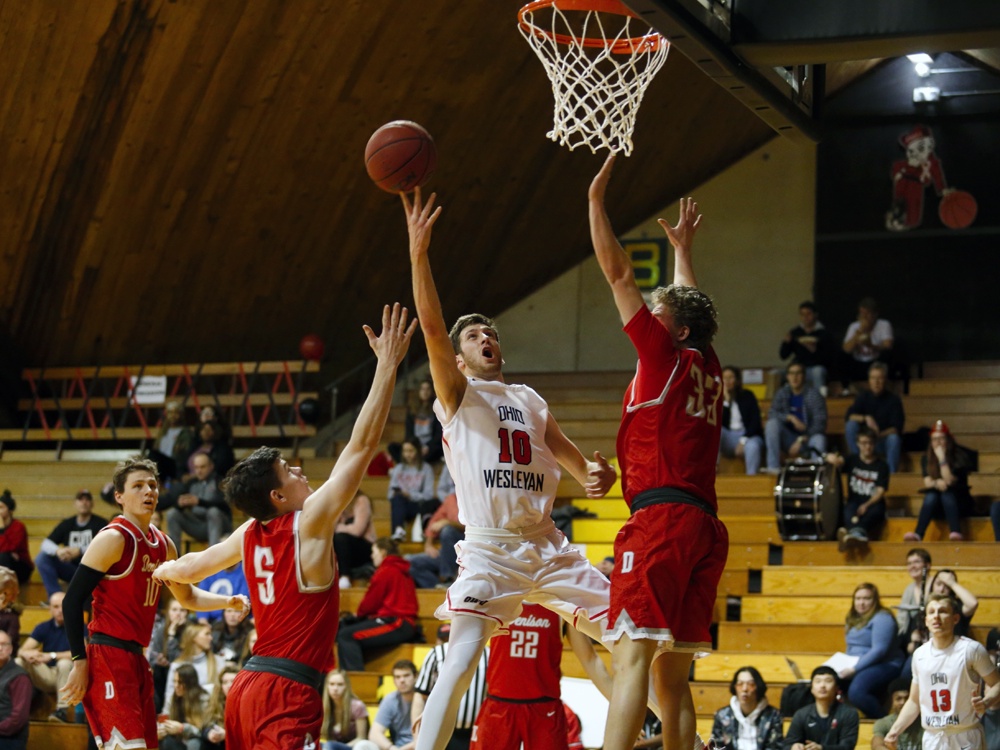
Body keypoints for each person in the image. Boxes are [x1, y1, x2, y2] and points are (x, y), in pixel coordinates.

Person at [404, 186, 619, 750]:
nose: (487, 338)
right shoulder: (456, 394)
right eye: (475, 335)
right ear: (459, 357)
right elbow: (430, 327)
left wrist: (596, 477)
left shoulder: (529, 398)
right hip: (491, 547)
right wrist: (418, 255)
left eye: (492, 333)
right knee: (463, 653)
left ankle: (677, 736)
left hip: (548, 546)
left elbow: (577, 466)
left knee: (633, 631)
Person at [152, 303, 416, 750]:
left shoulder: (249, 533)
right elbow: (362, 445)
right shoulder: (308, 522)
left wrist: (167, 574)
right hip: (286, 693)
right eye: (288, 471)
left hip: (246, 689)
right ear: (277, 497)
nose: (298, 469)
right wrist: (387, 365)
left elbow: (185, 575)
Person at [589, 155, 727, 750]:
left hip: (661, 523)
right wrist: (684, 251)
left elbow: (619, 275)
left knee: (632, 659)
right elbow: (692, 304)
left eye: (659, 310)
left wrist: (594, 206)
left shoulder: (663, 357)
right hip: (703, 527)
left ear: (675, 332)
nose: (649, 309)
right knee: (673, 683)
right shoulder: (709, 365)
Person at [58, 456, 248, 750]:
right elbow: (71, 602)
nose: (148, 491)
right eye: (138, 486)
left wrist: (227, 601)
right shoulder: (112, 538)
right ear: (119, 496)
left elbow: (188, 597)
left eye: (152, 485)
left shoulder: (165, 544)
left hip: (137, 658)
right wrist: (78, 661)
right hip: (108, 654)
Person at [469, 603, 613, 750]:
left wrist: (619, 703)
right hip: (499, 706)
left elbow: (590, 659)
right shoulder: (500, 599)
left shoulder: (562, 606)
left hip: (545, 710)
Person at [884, 593, 999, 750]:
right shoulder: (919, 655)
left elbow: (997, 683)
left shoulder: (971, 650)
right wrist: (895, 730)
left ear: (955, 618)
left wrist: (986, 703)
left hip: (965, 736)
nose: (936, 617)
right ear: (926, 621)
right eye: (931, 612)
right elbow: (914, 701)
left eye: (943, 611)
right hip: (932, 738)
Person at [336, 537, 419, 671]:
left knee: (346, 636)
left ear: (383, 552)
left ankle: (355, 682)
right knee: (346, 634)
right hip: (403, 622)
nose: (371, 556)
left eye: (374, 552)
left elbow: (370, 603)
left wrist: (358, 615)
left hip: (397, 622)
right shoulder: (402, 570)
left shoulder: (385, 571)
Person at [413, 623, 488, 750]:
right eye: (443, 640)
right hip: (441, 728)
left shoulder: (488, 654)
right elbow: (420, 695)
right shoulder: (436, 654)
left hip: (476, 731)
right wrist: (417, 738)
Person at [901, 570, 979, 682]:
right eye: (938, 584)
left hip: (951, 653)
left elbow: (973, 603)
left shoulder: (957, 608)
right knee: (907, 670)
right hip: (926, 654)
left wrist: (952, 583)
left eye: (946, 586)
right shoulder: (923, 610)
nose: (942, 589)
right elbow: (909, 648)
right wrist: (913, 641)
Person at [839, 583, 905, 719]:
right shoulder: (852, 618)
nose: (861, 603)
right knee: (825, 680)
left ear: (875, 600)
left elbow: (879, 650)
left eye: (866, 598)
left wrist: (854, 669)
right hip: (858, 663)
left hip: (885, 664)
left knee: (857, 692)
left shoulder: (883, 618)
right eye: (858, 599)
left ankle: (884, 723)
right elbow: (850, 646)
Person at [904, 421, 975, 542]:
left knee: (947, 494)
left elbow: (949, 480)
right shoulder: (926, 458)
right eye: (934, 439)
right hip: (937, 506)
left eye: (941, 438)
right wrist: (937, 483)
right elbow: (928, 482)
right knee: (931, 495)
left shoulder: (960, 456)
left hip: (959, 503)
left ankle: (955, 532)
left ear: (948, 440)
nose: (938, 442)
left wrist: (942, 458)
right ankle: (918, 534)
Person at [34, 489, 109, 596]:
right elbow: (45, 543)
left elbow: (106, 546)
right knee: (42, 558)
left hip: (92, 570)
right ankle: (55, 597)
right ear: (75, 504)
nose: (84, 502)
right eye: (80, 499)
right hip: (72, 569)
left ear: (92, 504)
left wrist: (81, 551)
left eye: (87, 500)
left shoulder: (101, 523)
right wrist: (58, 551)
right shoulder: (67, 524)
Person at [13, 592, 73, 722]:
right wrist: (28, 654)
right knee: (19, 661)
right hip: (46, 674)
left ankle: (62, 710)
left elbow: (80, 654)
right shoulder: (44, 627)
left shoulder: (78, 626)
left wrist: (51, 656)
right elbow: (21, 651)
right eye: (56, 607)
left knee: (64, 663)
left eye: (63, 606)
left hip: (67, 676)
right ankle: (17, 706)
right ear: (50, 609)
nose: (60, 610)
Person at [826, 427, 889, 547]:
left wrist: (867, 505)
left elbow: (880, 491)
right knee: (847, 510)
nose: (867, 446)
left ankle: (851, 533)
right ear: (858, 444)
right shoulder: (852, 459)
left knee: (875, 512)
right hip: (854, 501)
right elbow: (839, 462)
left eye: (870, 443)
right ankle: (857, 534)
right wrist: (830, 458)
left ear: (874, 444)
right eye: (864, 443)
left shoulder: (882, 465)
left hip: (873, 503)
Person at [764, 362, 828, 473]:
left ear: (804, 376)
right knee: (771, 424)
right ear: (787, 376)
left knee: (819, 439)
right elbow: (772, 413)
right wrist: (790, 417)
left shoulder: (814, 395)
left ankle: (817, 474)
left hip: (808, 437)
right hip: (787, 438)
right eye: (791, 373)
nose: (795, 377)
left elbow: (820, 423)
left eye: (798, 373)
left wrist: (802, 439)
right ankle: (773, 468)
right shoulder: (782, 393)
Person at [844, 363, 904, 474]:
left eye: (879, 378)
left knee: (894, 439)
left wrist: (877, 435)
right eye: (873, 378)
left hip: (882, 440)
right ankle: (857, 464)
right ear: (869, 380)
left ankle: (890, 475)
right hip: (864, 442)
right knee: (850, 425)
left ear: (885, 380)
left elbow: (896, 428)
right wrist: (866, 418)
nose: (876, 382)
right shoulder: (863, 397)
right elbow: (849, 416)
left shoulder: (894, 400)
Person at [164, 453, 232, 550]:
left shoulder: (219, 481)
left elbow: (224, 504)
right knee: (172, 513)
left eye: (202, 467)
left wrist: (199, 502)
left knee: (213, 512)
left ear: (211, 466)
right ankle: (175, 555)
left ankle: (213, 556)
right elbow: (174, 501)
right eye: (196, 468)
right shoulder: (191, 483)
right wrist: (180, 504)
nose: (199, 471)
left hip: (219, 524)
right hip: (198, 524)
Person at [783, 666, 859, 750]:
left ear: (837, 688)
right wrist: (794, 746)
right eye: (818, 681)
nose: (822, 685)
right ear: (812, 688)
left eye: (828, 681)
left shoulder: (849, 714)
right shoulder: (801, 714)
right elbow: (787, 744)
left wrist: (822, 748)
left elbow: (847, 747)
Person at [407, 474, 463, 589]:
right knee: (408, 562)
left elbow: (473, 528)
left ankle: (447, 577)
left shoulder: (476, 500)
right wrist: (428, 544)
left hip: (466, 550)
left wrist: (448, 522)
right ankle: (440, 588)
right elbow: (434, 522)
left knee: (448, 530)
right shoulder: (451, 499)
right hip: (448, 554)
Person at [710, 666, 784, 750]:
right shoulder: (722, 716)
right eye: (740, 684)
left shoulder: (773, 715)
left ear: (758, 687)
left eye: (750, 684)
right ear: (734, 687)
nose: (744, 689)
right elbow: (716, 746)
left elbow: (774, 747)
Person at [163, 621, 226, 709]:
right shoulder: (177, 665)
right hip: (184, 714)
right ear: (194, 637)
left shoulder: (218, 662)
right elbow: (170, 695)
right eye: (207, 634)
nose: (211, 638)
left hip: (210, 714)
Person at [780, 301, 838, 394]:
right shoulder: (796, 332)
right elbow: (783, 355)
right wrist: (786, 343)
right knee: (776, 373)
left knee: (818, 371)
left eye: (808, 314)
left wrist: (814, 350)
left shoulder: (824, 333)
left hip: (816, 368)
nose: (805, 317)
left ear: (815, 315)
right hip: (799, 367)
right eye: (802, 314)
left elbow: (830, 359)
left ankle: (819, 401)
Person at [388, 438, 439, 542]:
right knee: (397, 498)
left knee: (432, 503)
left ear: (418, 451)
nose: (407, 454)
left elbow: (428, 495)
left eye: (411, 451)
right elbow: (390, 494)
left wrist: (410, 495)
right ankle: (398, 531)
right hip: (401, 504)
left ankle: (424, 532)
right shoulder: (398, 468)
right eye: (405, 451)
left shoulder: (426, 469)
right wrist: (400, 494)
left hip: (419, 505)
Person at [720, 366, 764, 476]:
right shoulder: (717, 398)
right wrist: (726, 401)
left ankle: (751, 478)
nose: (728, 381)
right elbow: (720, 423)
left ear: (737, 380)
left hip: (748, 436)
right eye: (725, 378)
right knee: (715, 431)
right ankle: (712, 472)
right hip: (728, 438)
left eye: (731, 377)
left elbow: (755, 422)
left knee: (753, 445)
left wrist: (743, 440)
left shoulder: (747, 395)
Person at [841, 298, 893, 390]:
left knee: (888, 355)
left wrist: (871, 345)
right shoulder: (854, 326)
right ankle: (847, 389)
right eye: (862, 314)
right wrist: (860, 331)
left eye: (867, 314)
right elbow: (846, 349)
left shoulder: (883, 324)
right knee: (842, 357)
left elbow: (888, 345)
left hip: (876, 361)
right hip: (859, 362)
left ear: (875, 314)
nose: (864, 317)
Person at [148, 596, 190, 710]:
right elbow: (152, 656)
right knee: (155, 673)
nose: (178, 614)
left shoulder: (190, 631)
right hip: (162, 674)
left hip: (183, 675)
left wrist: (172, 635)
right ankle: (158, 712)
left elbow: (178, 660)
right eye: (174, 610)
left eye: (182, 610)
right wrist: (158, 660)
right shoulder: (161, 630)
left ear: (187, 613)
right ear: (168, 612)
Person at [321, 670, 375, 750]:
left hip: (354, 747)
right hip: (332, 746)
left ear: (346, 686)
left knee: (330, 745)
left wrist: (339, 747)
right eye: (331, 684)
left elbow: (361, 737)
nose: (335, 688)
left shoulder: (357, 706)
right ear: (327, 686)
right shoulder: (324, 707)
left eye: (340, 684)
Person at [370, 660, 418, 750]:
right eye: (397, 677)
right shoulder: (390, 700)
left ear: (416, 677)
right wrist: (391, 748)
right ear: (394, 680)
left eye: (406, 675)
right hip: (397, 747)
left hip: (423, 746)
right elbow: (375, 733)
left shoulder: (426, 699)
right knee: (364, 745)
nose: (402, 680)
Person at [159, 663, 208, 750]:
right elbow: (165, 717)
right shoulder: (172, 699)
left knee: (193, 743)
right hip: (178, 739)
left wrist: (182, 728)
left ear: (190, 684)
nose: (176, 686)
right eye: (174, 681)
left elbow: (203, 731)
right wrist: (161, 729)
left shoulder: (203, 699)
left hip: (199, 741)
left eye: (180, 682)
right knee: (165, 740)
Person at [335, 491, 377, 586]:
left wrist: (339, 527)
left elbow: (358, 530)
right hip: (348, 549)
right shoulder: (339, 502)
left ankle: (345, 577)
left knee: (340, 537)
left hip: (366, 547)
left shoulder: (361, 500)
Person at [149, 401, 196, 482]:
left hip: (176, 465)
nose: (173, 416)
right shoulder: (163, 432)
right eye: (170, 413)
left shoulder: (186, 432)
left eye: (176, 412)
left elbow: (186, 451)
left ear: (181, 414)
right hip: (161, 464)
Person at [871, 678, 923, 750]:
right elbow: (877, 745)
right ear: (891, 702)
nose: (903, 702)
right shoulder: (883, 723)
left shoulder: (924, 722)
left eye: (907, 698)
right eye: (898, 699)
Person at [0, 630, 30, 750]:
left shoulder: (20, 677)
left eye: (4, 644)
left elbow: (18, 718)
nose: (0, 648)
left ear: (11, 649)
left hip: (9, 738)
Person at [201, 663, 240, 750]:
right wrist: (209, 733)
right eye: (225, 682)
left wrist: (226, 735)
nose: (229, 685)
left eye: (232, 681)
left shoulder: (247, 705)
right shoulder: (216, 703)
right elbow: (205, 725)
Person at [896, 548, 932, 641]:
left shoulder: (937, 584)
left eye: (917, 562)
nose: (912, 566)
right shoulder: (909, 589)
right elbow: (902, 619)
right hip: (913, 638)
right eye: (909, 563)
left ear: (927, 565)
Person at [406, 379, 444, 464]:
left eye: (428, 389)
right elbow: (408, 433)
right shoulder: (411, 411)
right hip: (415, 445)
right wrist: (415, 447)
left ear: (432, 391)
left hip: (430, 446)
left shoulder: (437, 408)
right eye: (422, 389)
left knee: (438, 450)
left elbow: (439, 434)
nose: (425, 392)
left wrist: (428, 446)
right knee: (393, 447)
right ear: (418, 391)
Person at [0, 491, 33, 585]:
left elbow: (8, 548)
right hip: (6, 562)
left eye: (1, 507)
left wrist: (1, 529)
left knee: (4, 556)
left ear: (10, 510)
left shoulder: (18, 526)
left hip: (21, 566)